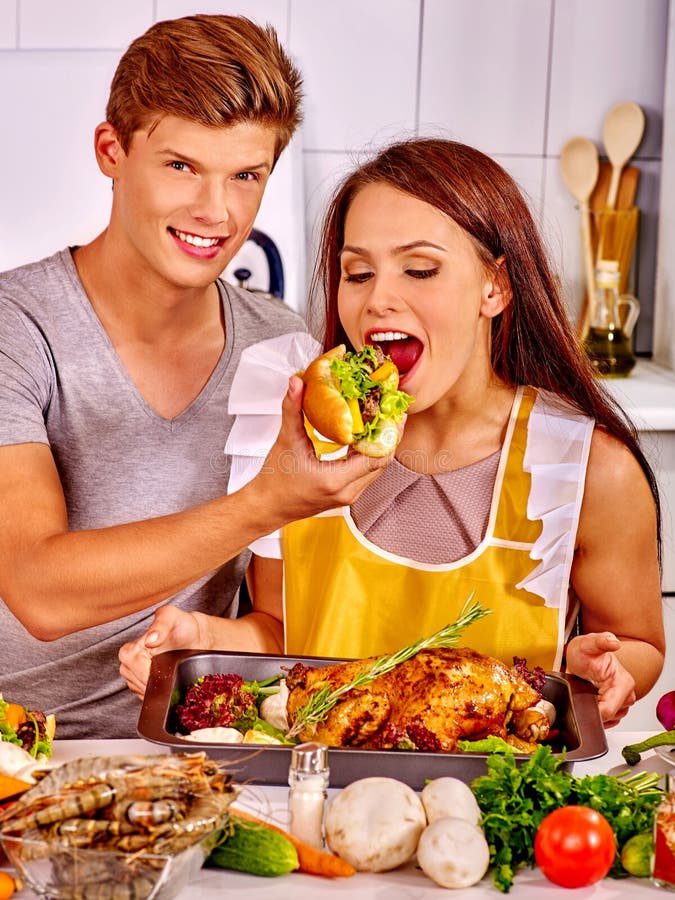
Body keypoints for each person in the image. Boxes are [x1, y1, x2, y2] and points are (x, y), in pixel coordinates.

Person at [120, 138, 665, 727]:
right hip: (315, 795)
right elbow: (281, 633)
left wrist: (604, 668)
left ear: (495, 288)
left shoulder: (588, 470)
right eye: (357, 273)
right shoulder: (295, 447)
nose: (379, 299)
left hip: (494, 806)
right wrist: (201, 636)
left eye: (421, 269)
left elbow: (640, 643)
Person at [0, 14, 389, 739]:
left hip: (193, 744)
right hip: (18, 747)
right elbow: (36, 592)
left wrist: (211, 640)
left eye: (245, 175)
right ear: (110, 151)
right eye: (182, 166)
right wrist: (267, 502)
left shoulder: (282, 347)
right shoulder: (15, 328)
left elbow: (281, 628)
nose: (216, 212)